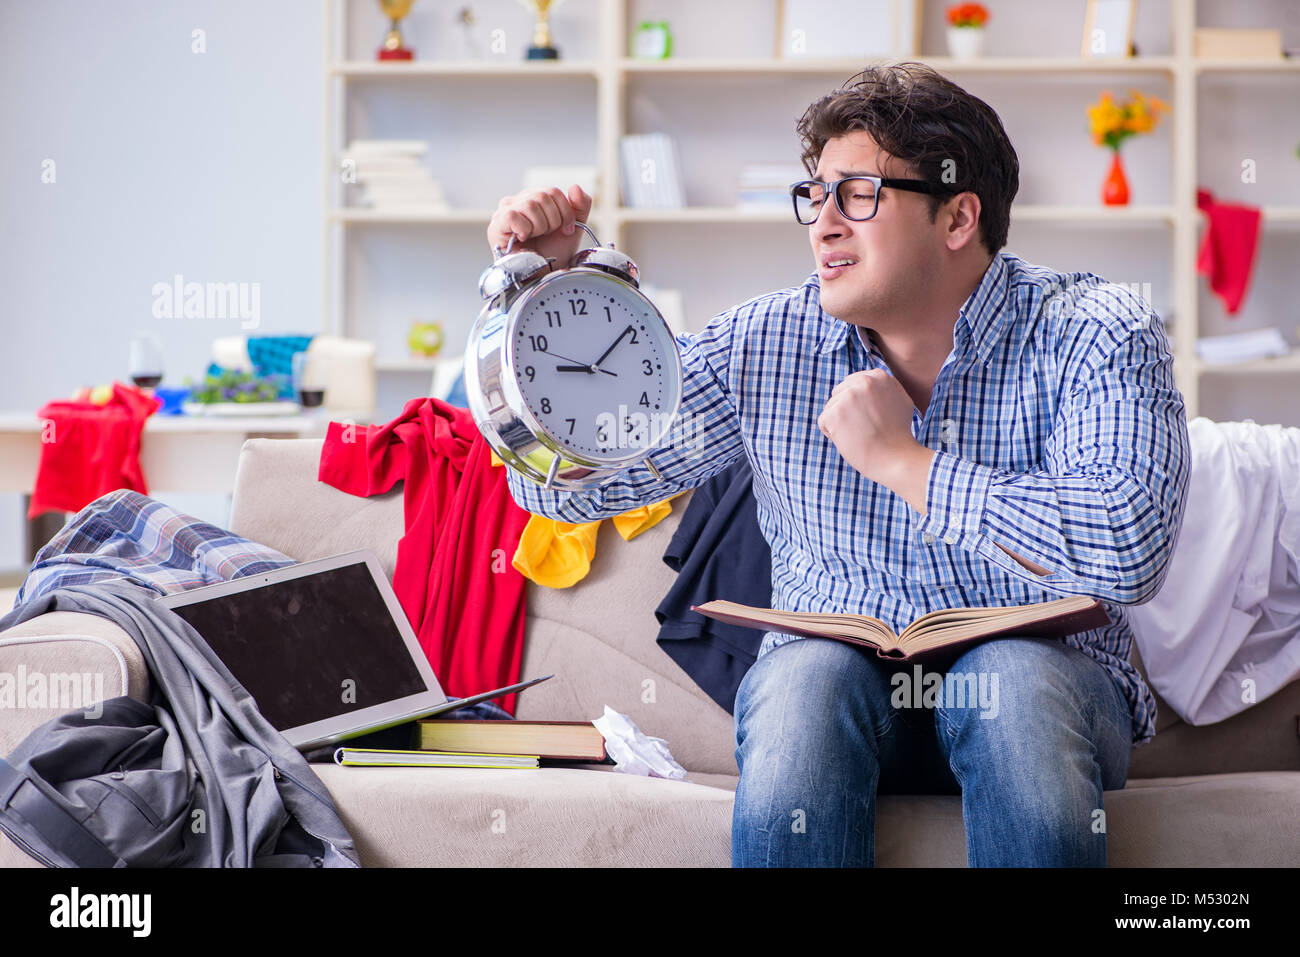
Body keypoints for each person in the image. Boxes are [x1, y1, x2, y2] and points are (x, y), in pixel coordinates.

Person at [485, 61, 1191, 867]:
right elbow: (568, 490)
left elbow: (1130, 547)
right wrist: (541, 303)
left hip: (1048, 695)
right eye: (815, 195)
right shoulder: (762, 343)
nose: (823, 224)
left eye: (857, 195)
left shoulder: (1096, 330)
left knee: (1014, 682)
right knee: (804, 684)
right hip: (841, 699)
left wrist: (909, 464)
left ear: (958, 216)